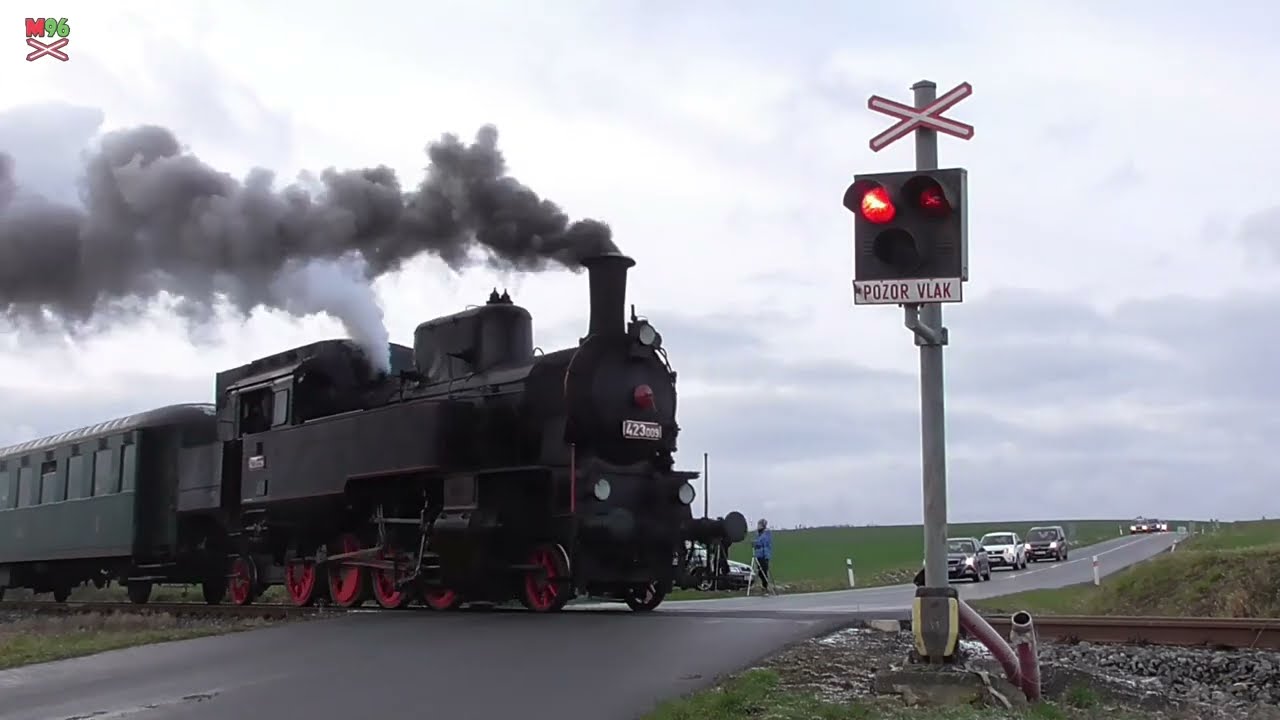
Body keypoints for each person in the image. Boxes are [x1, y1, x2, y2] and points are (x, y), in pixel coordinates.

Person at [752, 518, 774, 595]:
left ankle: (765, 586)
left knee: (763, 571)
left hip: (764, 555)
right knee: (760, 571)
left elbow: (762, 542)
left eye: (759, 525)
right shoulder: (758, 534)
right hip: (758, 555)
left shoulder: (766, 534)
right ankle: (763, 586)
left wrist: (756, 543)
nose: (758, 526)